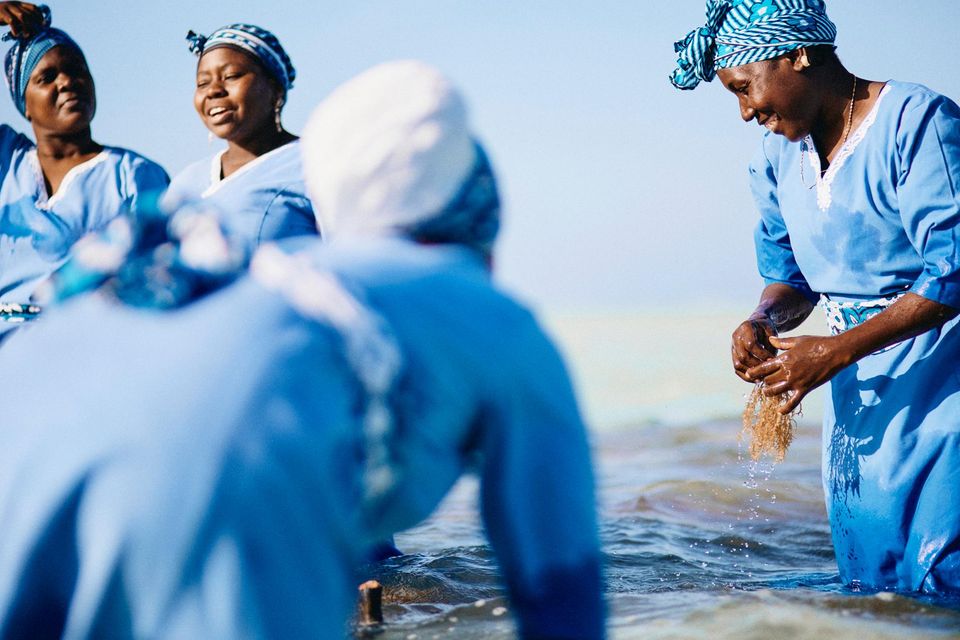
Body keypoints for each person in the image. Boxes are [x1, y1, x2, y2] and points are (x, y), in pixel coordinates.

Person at [0, 60, 604, 639]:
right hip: (203, 487)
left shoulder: (235, 274)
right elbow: (561, 587)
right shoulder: (496, 322)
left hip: (27, 413)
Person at [672, 0, 960, 593]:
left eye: (745, 87)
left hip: (942, 392)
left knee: (943, 572)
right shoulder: (777, 158)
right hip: (857, 408)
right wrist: (760, 320)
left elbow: (952, 270)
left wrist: (835, 351)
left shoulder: (917, 122)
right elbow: (793, 279)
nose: (747, 111)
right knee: (874, 590)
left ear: (799, 55)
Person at [0, 2, 168, 337]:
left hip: (88, 353)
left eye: (77, 71)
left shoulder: (134, 175)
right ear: (24, 103)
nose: (67, 82)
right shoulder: (6, 158)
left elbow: (157, 279)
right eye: (47, 78)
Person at [161, 23, 316, 253]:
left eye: (231, 76)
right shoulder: (185, 184)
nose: (213, 90)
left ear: (275, 89)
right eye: (203, 83)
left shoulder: (313, 163)